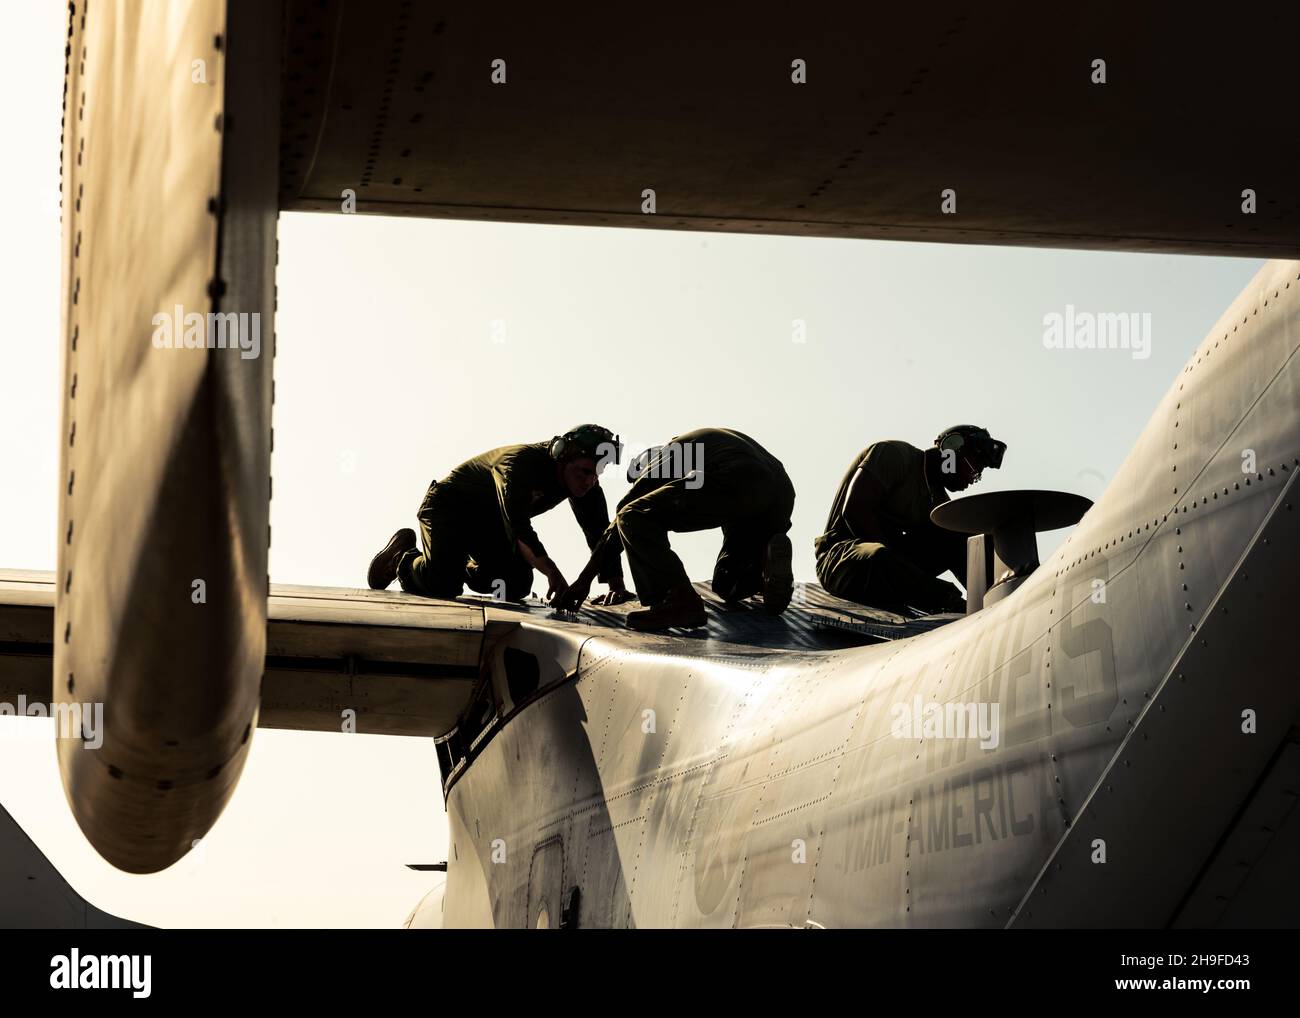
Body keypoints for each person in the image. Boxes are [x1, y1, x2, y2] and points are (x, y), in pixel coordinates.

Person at [555, 427, 795, 630]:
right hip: (779, 491)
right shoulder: (710, 446)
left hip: (739, 478)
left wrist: (584, 580)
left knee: (632, 515)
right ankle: (765, 567)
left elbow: (624, 514)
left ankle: (680, 601)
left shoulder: (670, 453)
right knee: (726, 584)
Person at [367, 425, 632, 605]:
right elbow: (518, 525)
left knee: (515, 585)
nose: (590, 480)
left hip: (490, 527)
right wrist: (551, 572)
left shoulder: (586, 486)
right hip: (448, 510)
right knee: (443, 585)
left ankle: (460, 566)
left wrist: (616, 586)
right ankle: (403, 559)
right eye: (585, 471)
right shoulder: (520, 464)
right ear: (562, 458)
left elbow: (600, 533)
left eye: (598, 473)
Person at [814, 425, 1006, 614]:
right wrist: (913, 576)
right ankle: (948, 603)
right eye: (973, 468)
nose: (973, 479)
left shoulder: (937, 500)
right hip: (842, 560)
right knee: (880, 556)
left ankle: (994, 602)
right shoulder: (894, 455)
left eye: (978, 474)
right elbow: (855, 510)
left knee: (961, 534)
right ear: (951, 449)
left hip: (894, 567)